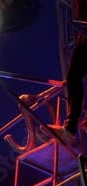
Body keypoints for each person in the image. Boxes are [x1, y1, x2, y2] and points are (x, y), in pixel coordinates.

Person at [48, 0, 87, 142]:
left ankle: (71, 128)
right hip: (82, 37)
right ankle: (70, 129)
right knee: (73, 77)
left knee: (73, 77)